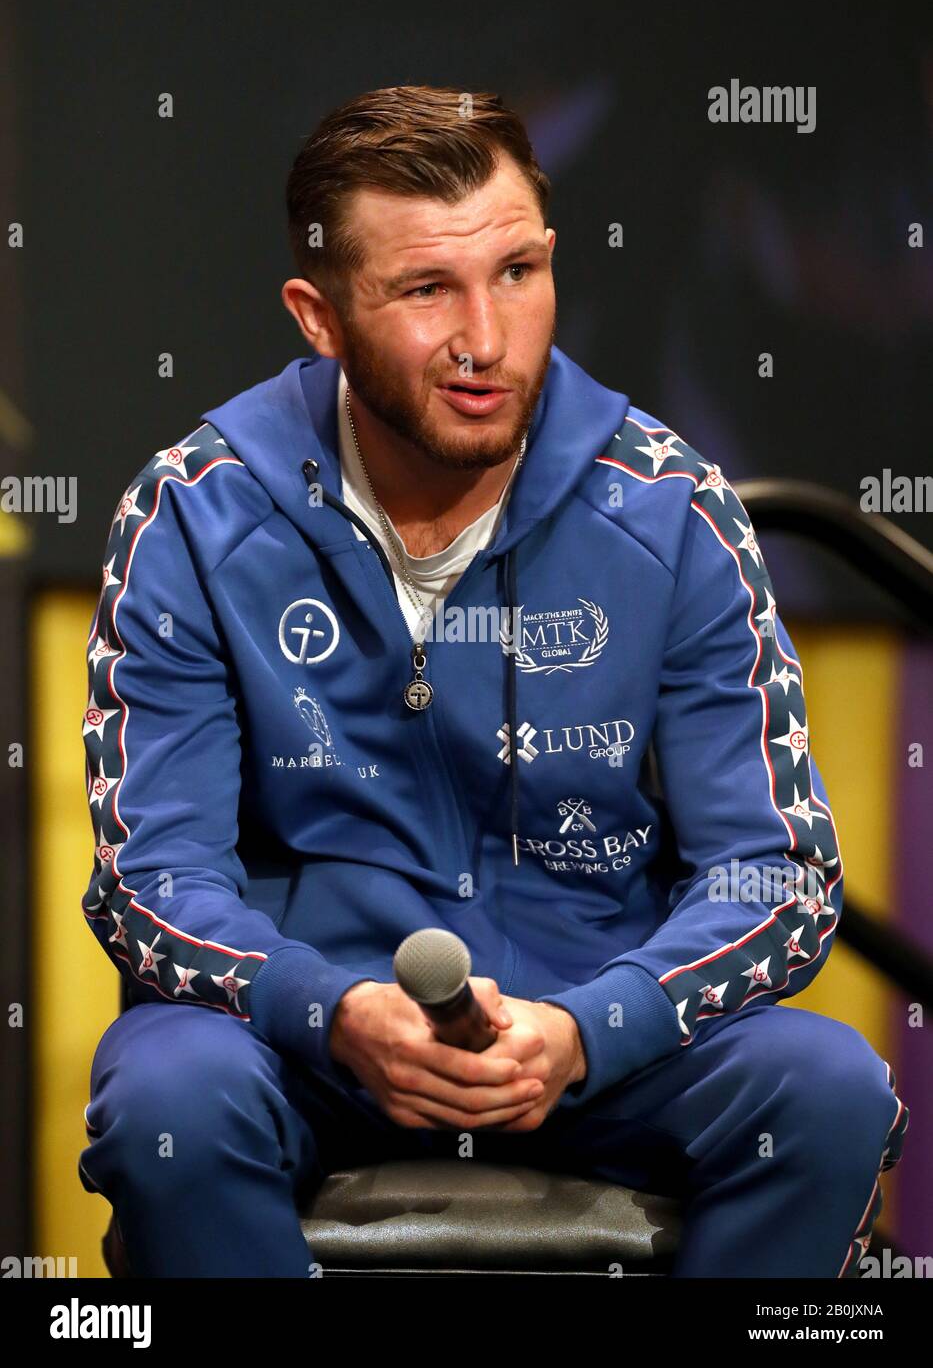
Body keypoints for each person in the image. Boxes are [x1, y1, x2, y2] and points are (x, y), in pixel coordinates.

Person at [78, 84, 909, 1278]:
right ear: (319, 316)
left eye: (517, 271)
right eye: (427, 289)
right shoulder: (193, 515)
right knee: (169, 1097)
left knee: (828, 1091)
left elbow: (775, 874)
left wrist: (589, 1026)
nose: (488, 336)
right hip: (308, 1044)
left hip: (593, 1037)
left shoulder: (675, 512)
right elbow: (149, 881)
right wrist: (326, 1009)